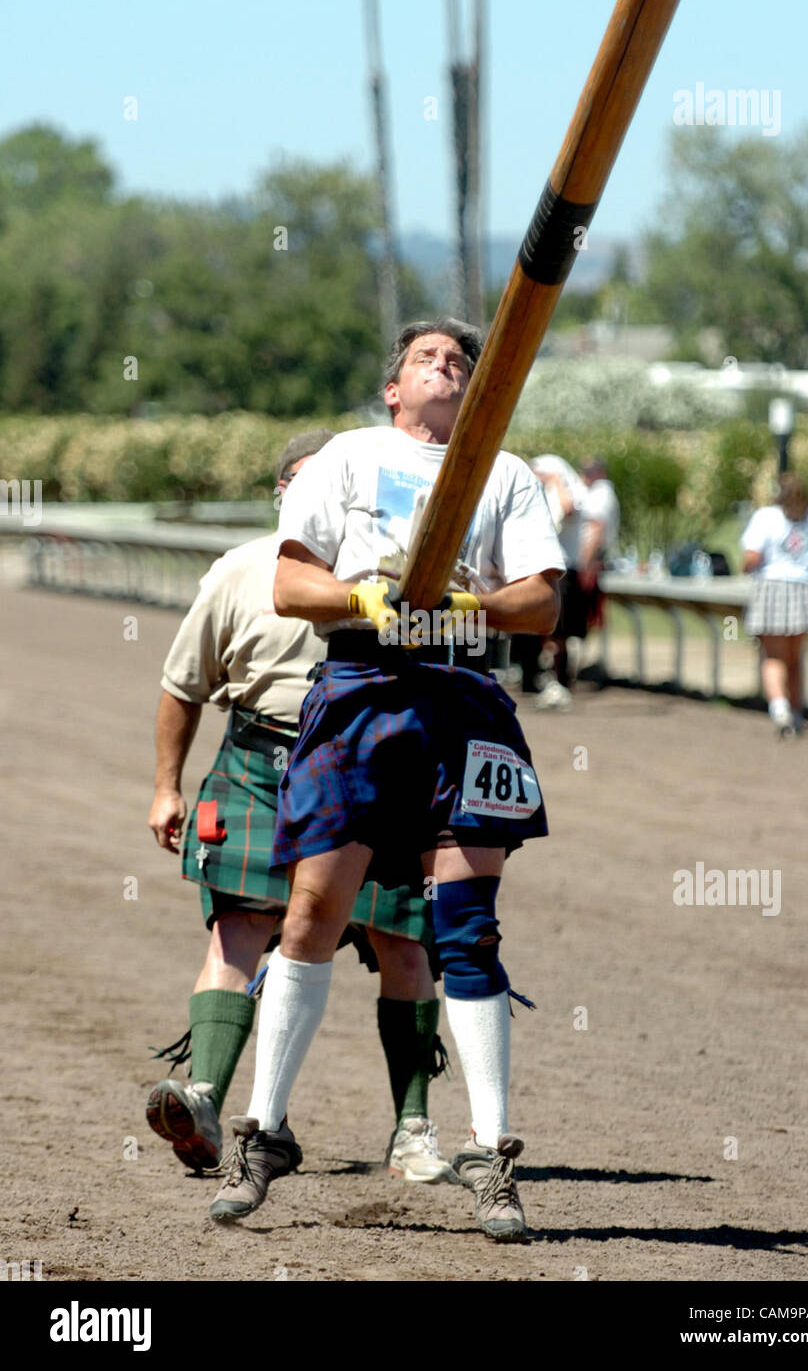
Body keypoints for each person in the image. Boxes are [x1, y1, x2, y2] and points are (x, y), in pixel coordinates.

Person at [208, 317, 565, 1242]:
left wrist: (475, 602)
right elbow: (292, 587)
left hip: (460, 690)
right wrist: (366, 596)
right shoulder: (350, 458)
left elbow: (543, 600)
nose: (445, 367)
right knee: (313, 914)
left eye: (460, 360)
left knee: (467, 931)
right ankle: (265, 1132)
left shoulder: (506, 472)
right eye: (425, 359)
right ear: (393, 389)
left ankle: (490, 1156)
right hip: (362, 686)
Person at [146, 430, 456, 1186]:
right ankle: (207, 1097)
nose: (308, 491)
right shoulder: (241, 569)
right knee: (240, 927)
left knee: (401, 942)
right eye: (297, 479)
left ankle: (412, 1129)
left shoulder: (403, 578)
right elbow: (183, 686)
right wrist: (166, 786)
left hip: (373, 764)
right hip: (259, 762)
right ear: (281, 492)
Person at [741, 472, 808, 736]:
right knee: (794, 657)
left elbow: (752, 556)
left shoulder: (766, 516)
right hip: (805, 589)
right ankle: (797, 711)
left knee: (773, 657)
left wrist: (743, 568)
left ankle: (780, 709)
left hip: (773, 587)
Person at [524, 454, 590, 711]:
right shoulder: (548, 496)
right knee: (545, 632)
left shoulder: (572, 493)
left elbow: (568, 509)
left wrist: (555, 480)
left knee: (559, 634)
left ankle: (561, 683)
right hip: (549, 571)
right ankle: (547, 680)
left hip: (565, 573)